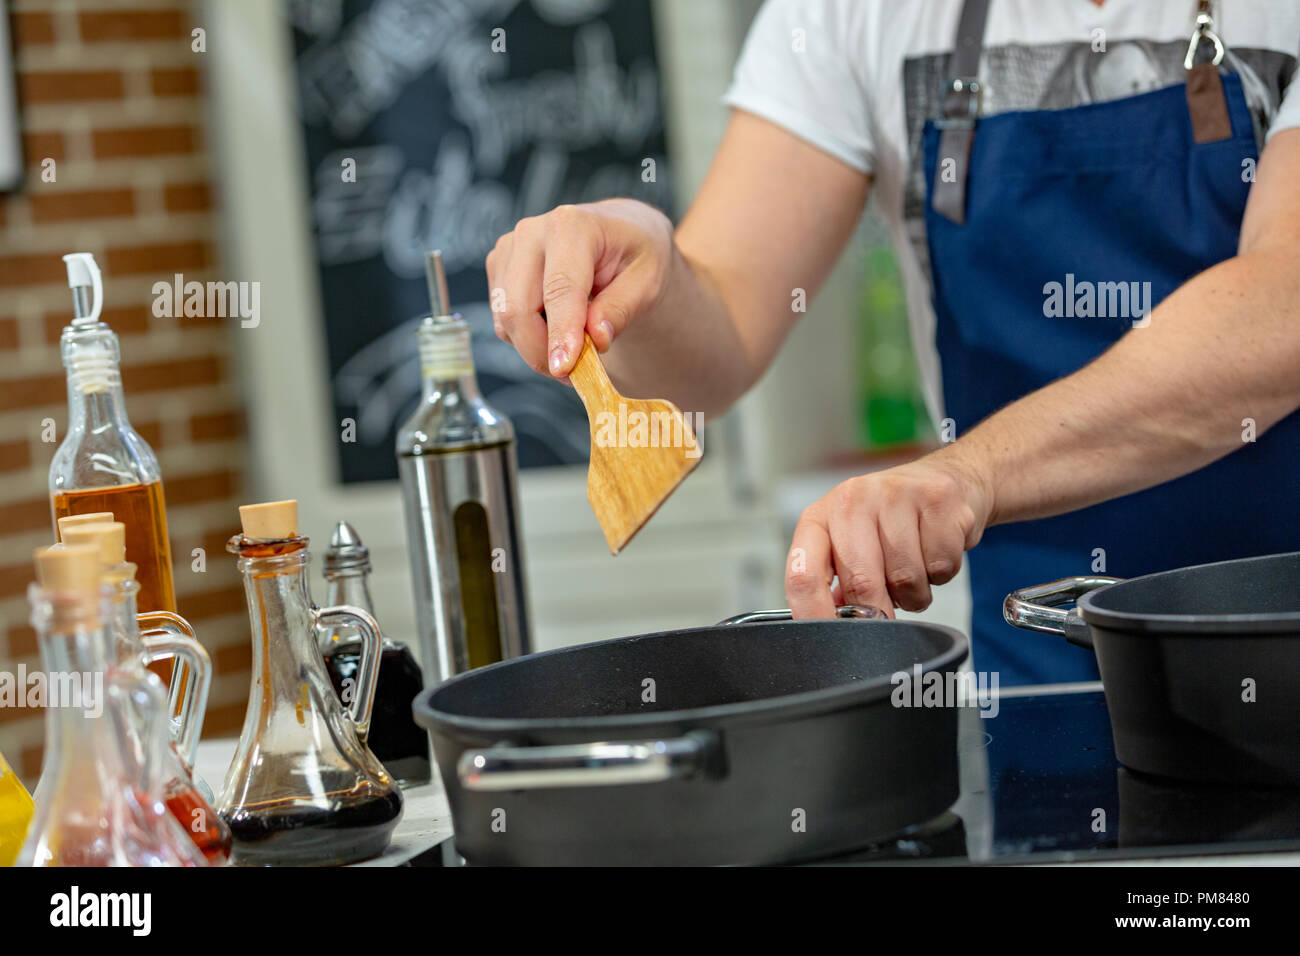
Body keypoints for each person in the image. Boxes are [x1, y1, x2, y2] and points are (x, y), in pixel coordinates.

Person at [485, 0, 1300, 684]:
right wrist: (641, 257)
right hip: (1036, 664)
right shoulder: (851, 12)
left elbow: (1282, 308)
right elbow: (717, 337)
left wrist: (967, 475)